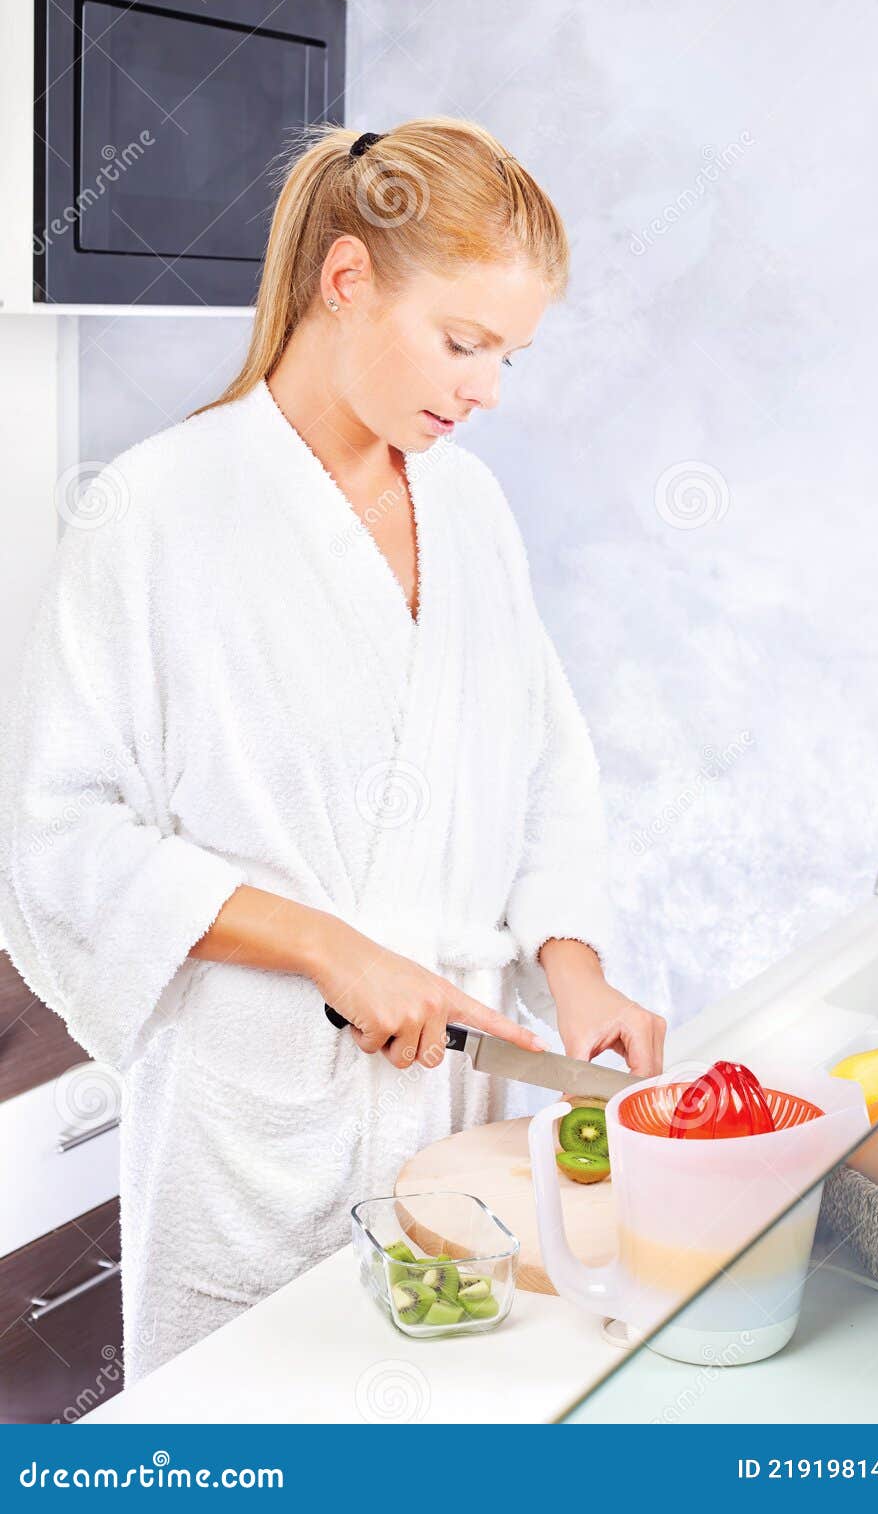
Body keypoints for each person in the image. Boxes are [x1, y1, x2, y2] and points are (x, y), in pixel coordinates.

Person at [0, 118, 666, 1382]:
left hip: (449, 1125)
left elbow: (542, 769)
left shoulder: (468, 505)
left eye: (508, 356)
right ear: (346, 278)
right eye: (463, 343)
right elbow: (57, 836)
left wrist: (572, 972)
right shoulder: (155, 509)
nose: (486, 391)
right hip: (254, 1123)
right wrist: (328, 947)